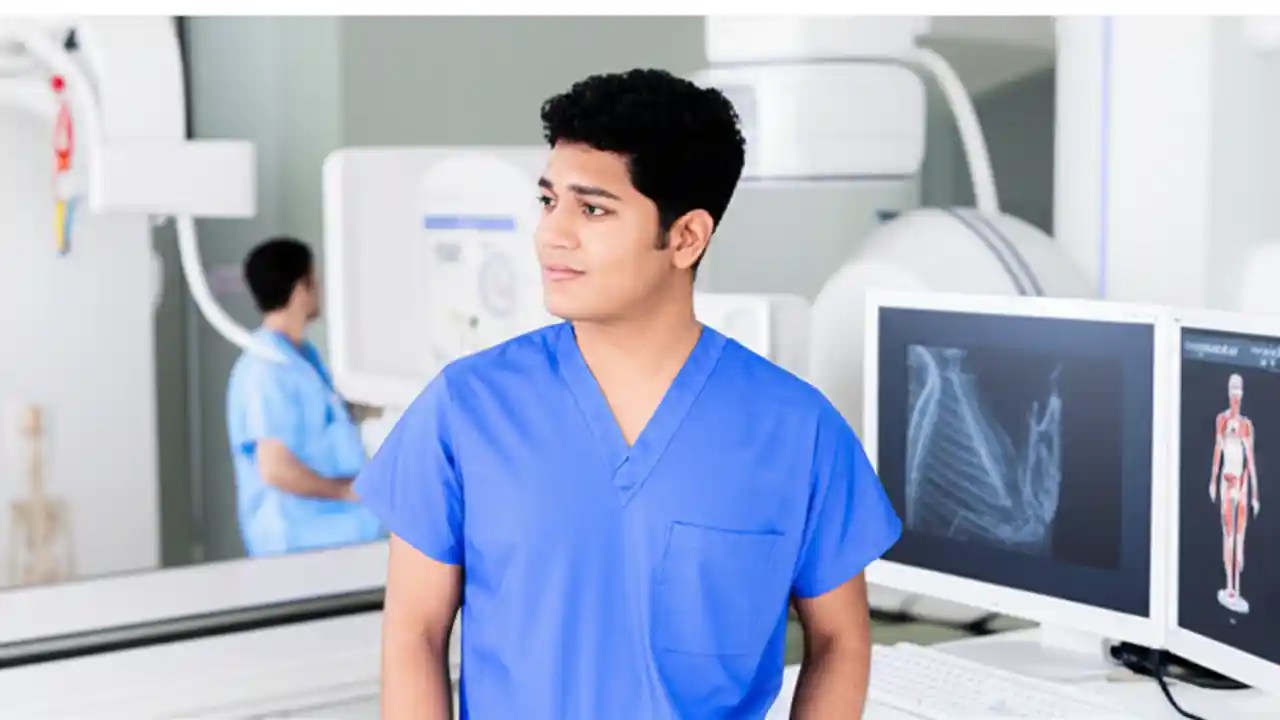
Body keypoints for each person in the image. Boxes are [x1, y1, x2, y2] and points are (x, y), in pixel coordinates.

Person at [354, 69, 902, 719]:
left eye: (592, 209)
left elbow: (840, 639)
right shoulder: (465, 409)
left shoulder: (796, 431)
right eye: (548, 201)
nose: (552, 234)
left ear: (686, 237)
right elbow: (414, 633)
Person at [226, 237, 382, 557]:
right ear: (302, 289)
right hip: (300, 545)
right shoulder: (266, 370)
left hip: (340, 539)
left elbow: (323, 423)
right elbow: (276, 469)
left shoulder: (300, 357)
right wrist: (346, 491)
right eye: (316, 280)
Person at [1209, 372, 1260, 614]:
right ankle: (1228, 586)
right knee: (1227, 536)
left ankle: (1236, 587)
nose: (1236, 397)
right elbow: (1218, 452)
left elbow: (1250, 460)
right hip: (1226, 482)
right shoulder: (1221, 420)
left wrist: (1254, 495)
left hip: (1241, 482)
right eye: (1233, 391)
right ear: (1229, 393)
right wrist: (1212, 480)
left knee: (1239, 538)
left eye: (1239, 392)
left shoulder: (1246, 425)